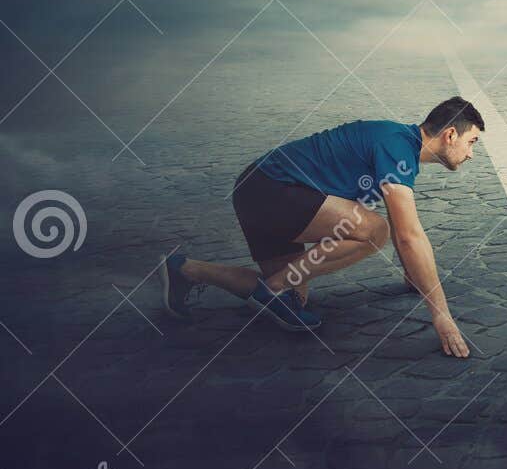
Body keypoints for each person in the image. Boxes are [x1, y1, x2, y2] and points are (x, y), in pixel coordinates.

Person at [158, 97, 484, 358]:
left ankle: (187, 269)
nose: (471, 153)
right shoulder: (397, 147)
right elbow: (408, 235)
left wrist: (414, 276)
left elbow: (404, 225)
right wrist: (441, 314)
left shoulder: (398, 143)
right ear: (450, 135)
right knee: (374, 231)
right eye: (472, 142)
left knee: (294, 295)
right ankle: (273, 290)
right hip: (272, 188)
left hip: (257, 188)